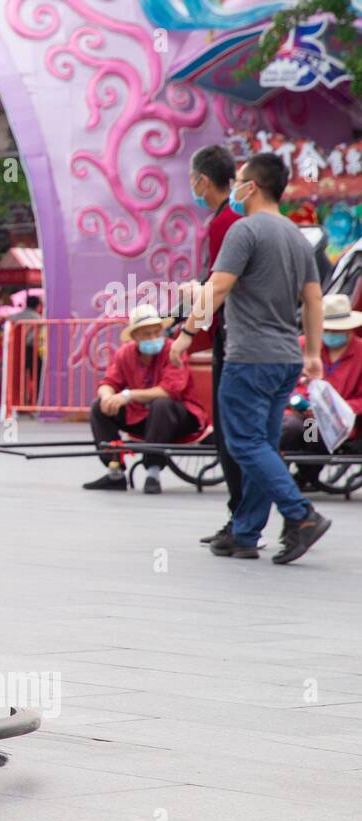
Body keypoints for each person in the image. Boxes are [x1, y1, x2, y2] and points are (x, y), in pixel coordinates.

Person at [180, 152, 329, 564]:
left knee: (243, 442)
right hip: (285, 357)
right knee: (262, 445)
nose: (236, 185)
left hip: (249, 357)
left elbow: (218, 288)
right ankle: (245, 532)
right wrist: (312, 352)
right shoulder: (298, 236)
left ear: (254, 186)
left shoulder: (244, 232)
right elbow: (314, 299)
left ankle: (301, 515)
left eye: (241, 179)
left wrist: (187, 333)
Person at [175, 144, 243, 543]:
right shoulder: (229, 220)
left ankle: (247, 519)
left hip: (230, 339)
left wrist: (187, 335)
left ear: (202, 180)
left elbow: (217, 291)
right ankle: (242, 519)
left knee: (232, 435)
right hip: (232, 335)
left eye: (192, 180)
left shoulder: (224, 224)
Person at [83, 304, 207, 494]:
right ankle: (114, 471)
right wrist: (107, 396)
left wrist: (128, 395)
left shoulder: (173, 350)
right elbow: (109, 381)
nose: (153, 338)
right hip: (141, 416)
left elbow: (169, 391)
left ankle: (153, 472)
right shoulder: (125, 353)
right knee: (99, 406)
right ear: (135, 337)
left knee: (161, 404)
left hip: (179, 416)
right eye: (146, 334)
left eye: (156, 333)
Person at [280, 293, 362, 487]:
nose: (331, 334)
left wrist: (339, 408)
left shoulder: (359, 353)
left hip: (339, 423)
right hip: (302, 415)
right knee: (291, 429)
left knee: (314, 434)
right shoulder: (302, 346)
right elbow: (284, 383)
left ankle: (305, 475)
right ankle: (280, 478)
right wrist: (300, 402)